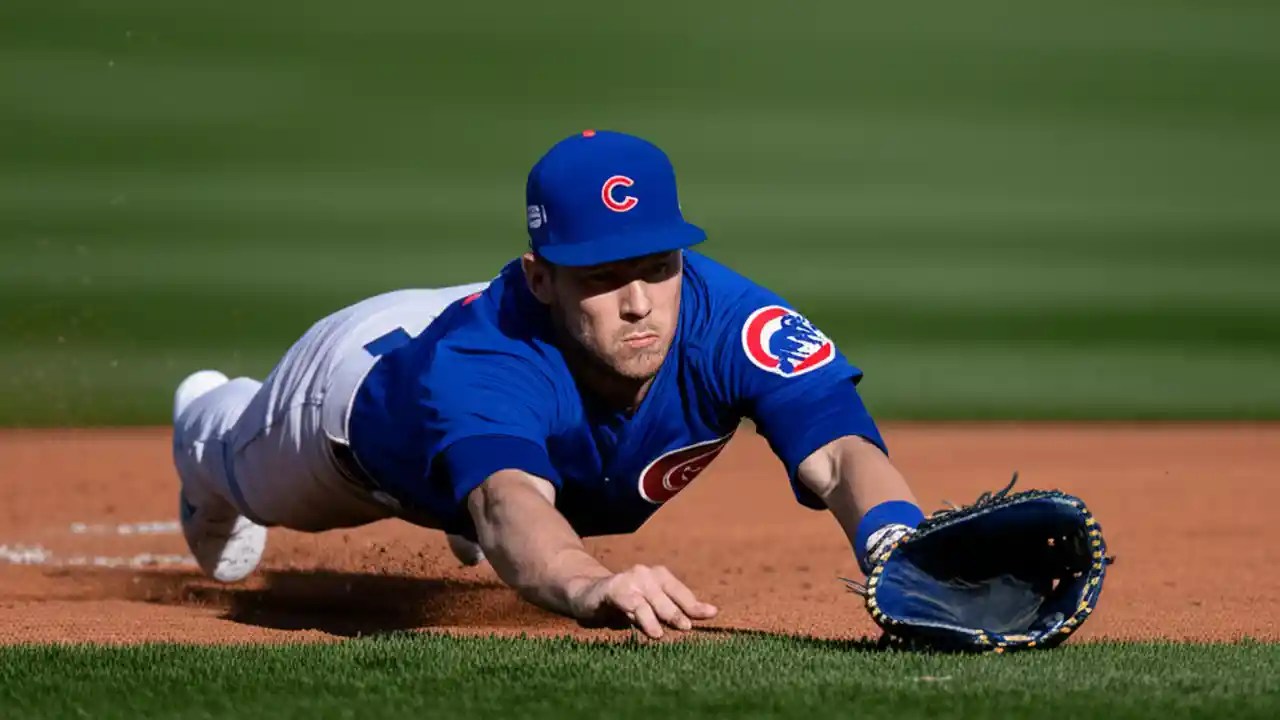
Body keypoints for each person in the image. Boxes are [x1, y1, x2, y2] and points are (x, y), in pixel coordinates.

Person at [172, 130, 924, 639]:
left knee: (503, 467)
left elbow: (838, 451)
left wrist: (897, 542)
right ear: (541, 276)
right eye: (604, 276)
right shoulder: (480, 361)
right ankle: (204, 421)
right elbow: (507, 505)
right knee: (248, 477)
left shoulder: (730, 320)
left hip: (520, 365)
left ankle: (473, 465)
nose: (640, 302)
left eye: (658, 266)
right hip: (351, 404)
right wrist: (589, 585)